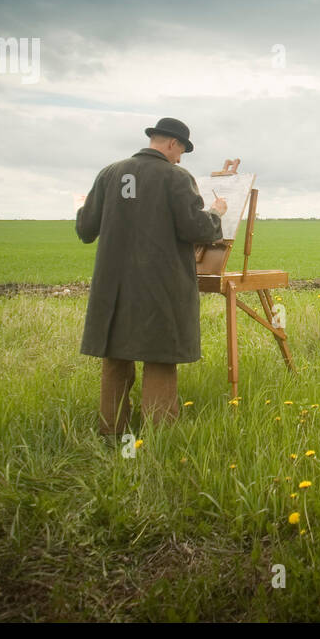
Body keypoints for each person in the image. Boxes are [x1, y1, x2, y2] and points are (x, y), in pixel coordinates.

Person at [75, 117, 228, 436]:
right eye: (182, 150)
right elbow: (196, 229)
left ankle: (112, 434)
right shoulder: (176, 177)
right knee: (160, 359)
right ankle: (159, 441)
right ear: (172, 143)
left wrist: (83, 207)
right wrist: (216, 213)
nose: (181, 158)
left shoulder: (109, 173)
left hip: (113, 288)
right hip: (162, 286)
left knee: (116, 357)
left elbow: (85, 229)